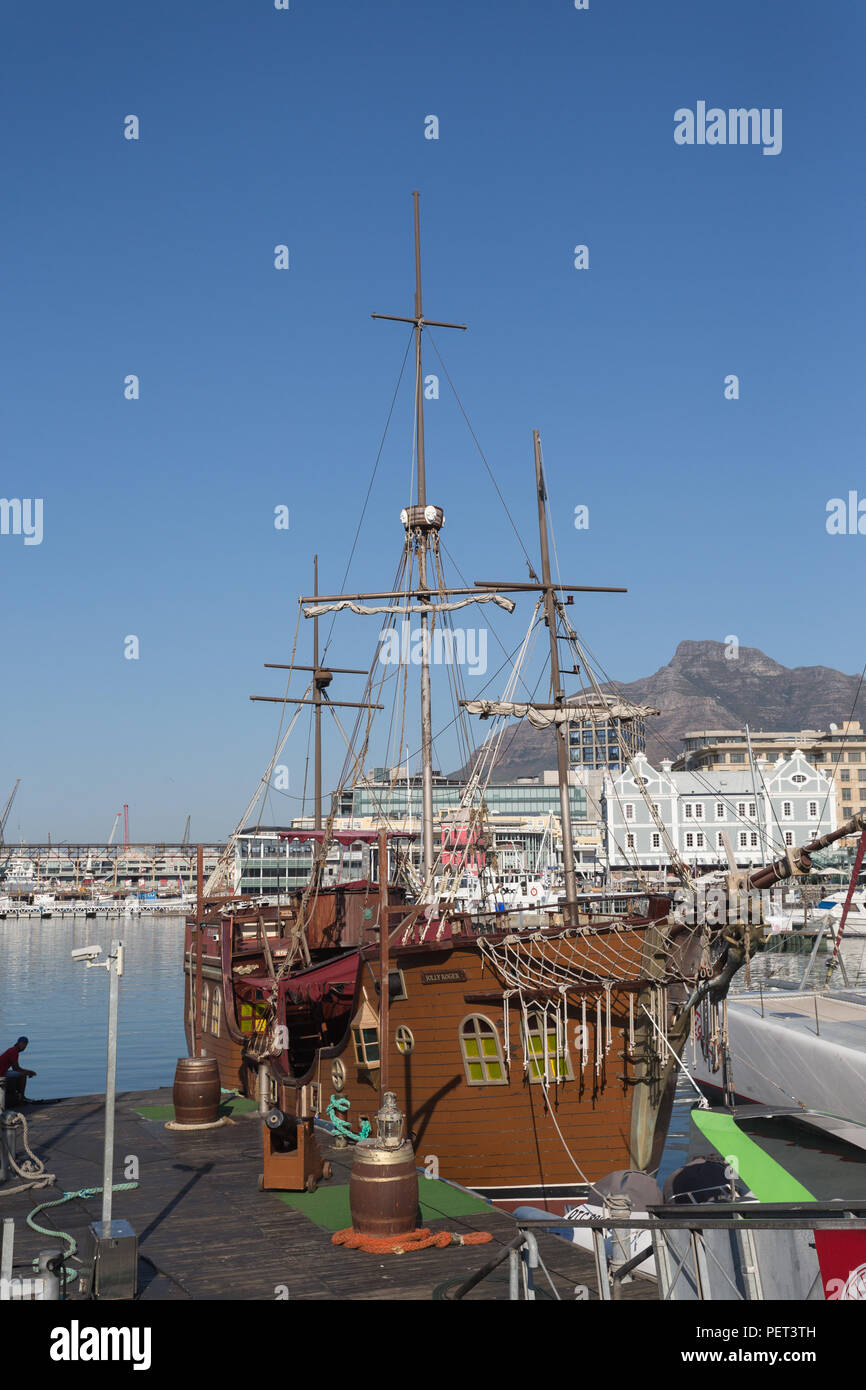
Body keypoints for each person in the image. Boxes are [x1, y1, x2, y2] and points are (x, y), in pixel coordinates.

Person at [0, 1036, 36, 1106]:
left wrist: (27, 1071)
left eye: (26, 1045)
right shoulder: (14, 1051)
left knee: (21, 1073)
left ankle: (19, 1096)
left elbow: (15, 1068)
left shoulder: (13, 1050)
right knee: (23, 1075)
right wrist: (28, 1072)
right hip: (1, 1074)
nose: (24, 1047)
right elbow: (16, 1068)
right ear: (19, 1043)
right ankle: (22, 1097)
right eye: (23, 1044)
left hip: (3, 1071)